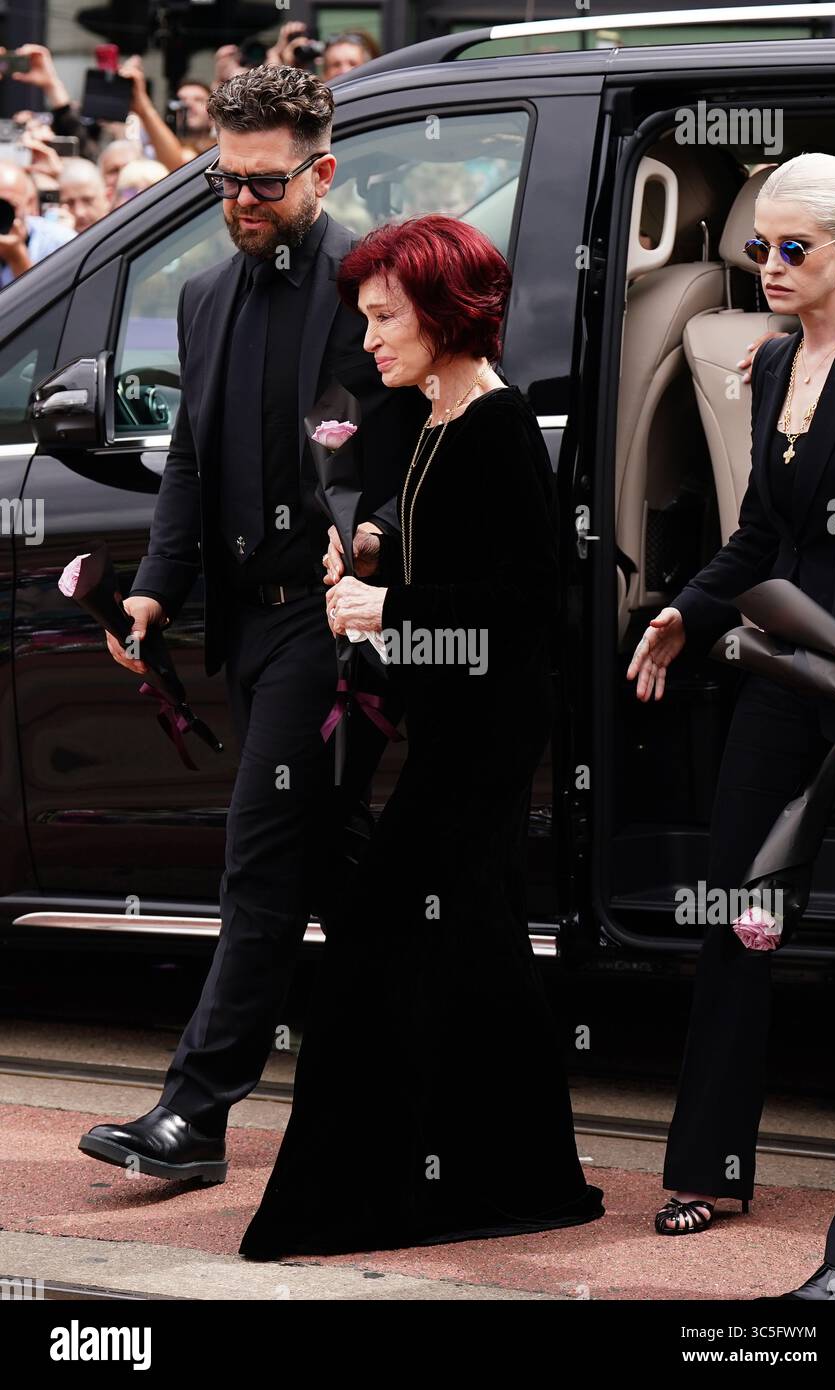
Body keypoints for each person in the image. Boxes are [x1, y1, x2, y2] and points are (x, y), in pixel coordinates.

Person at [77, 64, 429, 1185]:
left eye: (264, 185)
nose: (240, 204)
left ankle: (197, 1116)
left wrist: (374, 542)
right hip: (249, 624)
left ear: (321, 170)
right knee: (342, 874)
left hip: (334, 632)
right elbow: (190, 460)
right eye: (224, 181)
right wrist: (152, 588)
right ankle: (432, 1072)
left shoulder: (375, 289)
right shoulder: (203, 294)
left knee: (262, 860)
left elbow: (426, 445)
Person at [238, 214, 605, 1258]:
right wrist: (370, 560)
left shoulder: (490, 423)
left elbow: (525, 602)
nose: (369, 342)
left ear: (447, 311)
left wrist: (385, 612)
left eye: (387, 317)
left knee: (379, 942)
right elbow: (444, 553)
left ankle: (372, 1194)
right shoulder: (433, 412)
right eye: (363, 318)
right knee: (480, 951)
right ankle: (519, 1177)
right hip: (455, 723)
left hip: (485, 735)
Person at [627, 152, 835, 1299]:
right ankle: (713, 1162)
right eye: (758, 246)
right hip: (786, 674)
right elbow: (762, 535)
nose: (767, 265)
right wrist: (684, 611)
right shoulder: (772, 367)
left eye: (792, 249)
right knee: (739, 908)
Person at [0, 160, 75, 287]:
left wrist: (17, 257)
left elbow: (50, 301)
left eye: (5, 207)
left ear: (29, 203)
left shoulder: (60, 243)